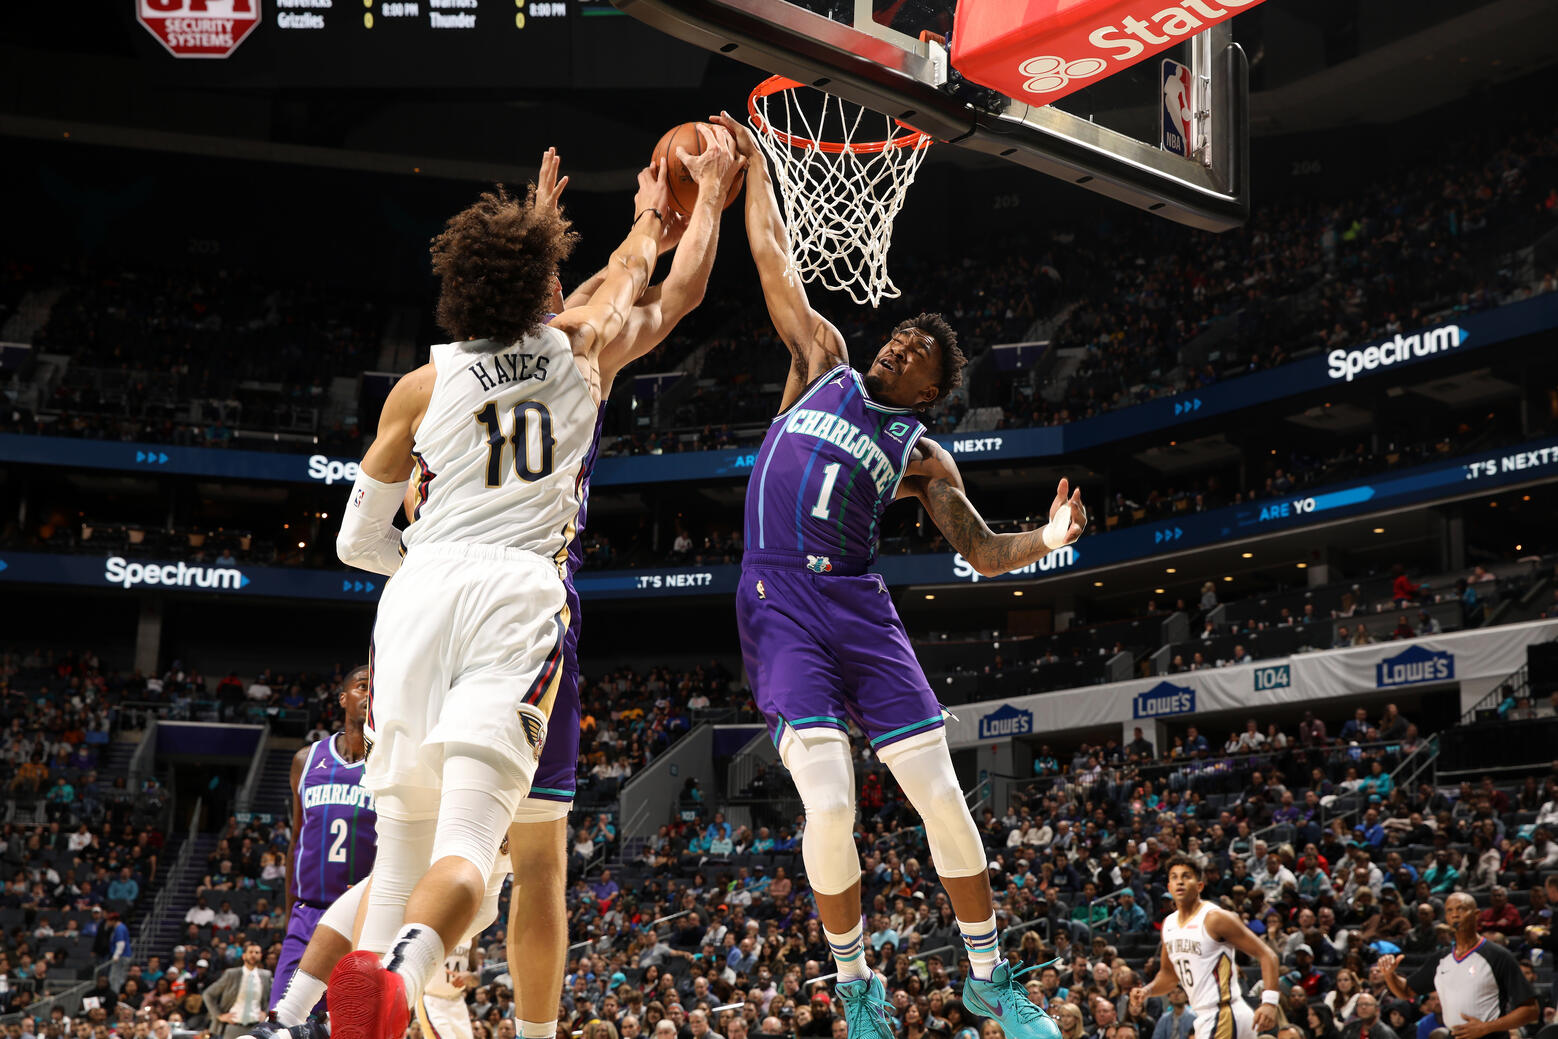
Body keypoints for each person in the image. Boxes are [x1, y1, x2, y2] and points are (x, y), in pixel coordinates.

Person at [325, 137, 742, 1039]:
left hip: (417, 594)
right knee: (478, 849)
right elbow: (664, 283)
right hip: (517, 593)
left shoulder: (420, 384)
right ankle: (407, 967)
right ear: (543, 287)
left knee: (397, 862)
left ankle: (379, 979)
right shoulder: (581, 349)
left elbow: (358, 539)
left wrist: (428, 568)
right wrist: (696, 196)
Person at [709, 111, 1085, 1039]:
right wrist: (757, 170)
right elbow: (773, 263)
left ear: (930, 392)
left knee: (942, 794)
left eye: (915, 353)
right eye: (899, 337)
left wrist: (1050, 535)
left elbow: (984, 551)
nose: (896, 346)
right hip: (781, 601)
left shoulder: (922, 454)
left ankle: (990, 978)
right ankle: (856, 982)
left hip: (859, 605)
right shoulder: (824, 363)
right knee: (829, 801)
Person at [268, 666, 376, 1024]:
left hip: (362, 920)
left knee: (346, 1027)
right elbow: (296, 842)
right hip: (308, 915)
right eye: (363, 686)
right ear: (344, 698)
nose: (371, 694)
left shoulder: (393, 764)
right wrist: (289, 916)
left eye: (378, 688)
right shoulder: (306, 760)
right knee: (281, 1023)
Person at [1130, 855, 1281, 1039]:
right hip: (1206, 1016)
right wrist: (1148, 990)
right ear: (1169, 887)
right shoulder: (1169, 924)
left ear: (1200, 885)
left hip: (1225, 1012)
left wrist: (1269, 1003)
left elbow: (1267, 955)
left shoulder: (1214, 918)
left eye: (1186, 876)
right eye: (1174, 877)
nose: (1180, 882)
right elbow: (1169, 975)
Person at [1378, 892, 1538, 1039]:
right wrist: (1389, 975)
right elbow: (1405, 991)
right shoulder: (1441, 959)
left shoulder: (1498, 956)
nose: (1455, 914)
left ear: (1476, 915)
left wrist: (1486, 1028)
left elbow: (1531, 1010)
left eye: (1461, 909)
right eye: (1449, 910)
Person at [203, 944, 273, 1039]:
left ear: (261, 956)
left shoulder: (266, 975)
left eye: (257, 952)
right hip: (233, 1027)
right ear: (244, 955)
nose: (253, 955)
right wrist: (219, 1015)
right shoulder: (231, 974)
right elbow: (208, 994)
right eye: (250, 952)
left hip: (256, 1027)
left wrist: (266, 1013)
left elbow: (274, 997)